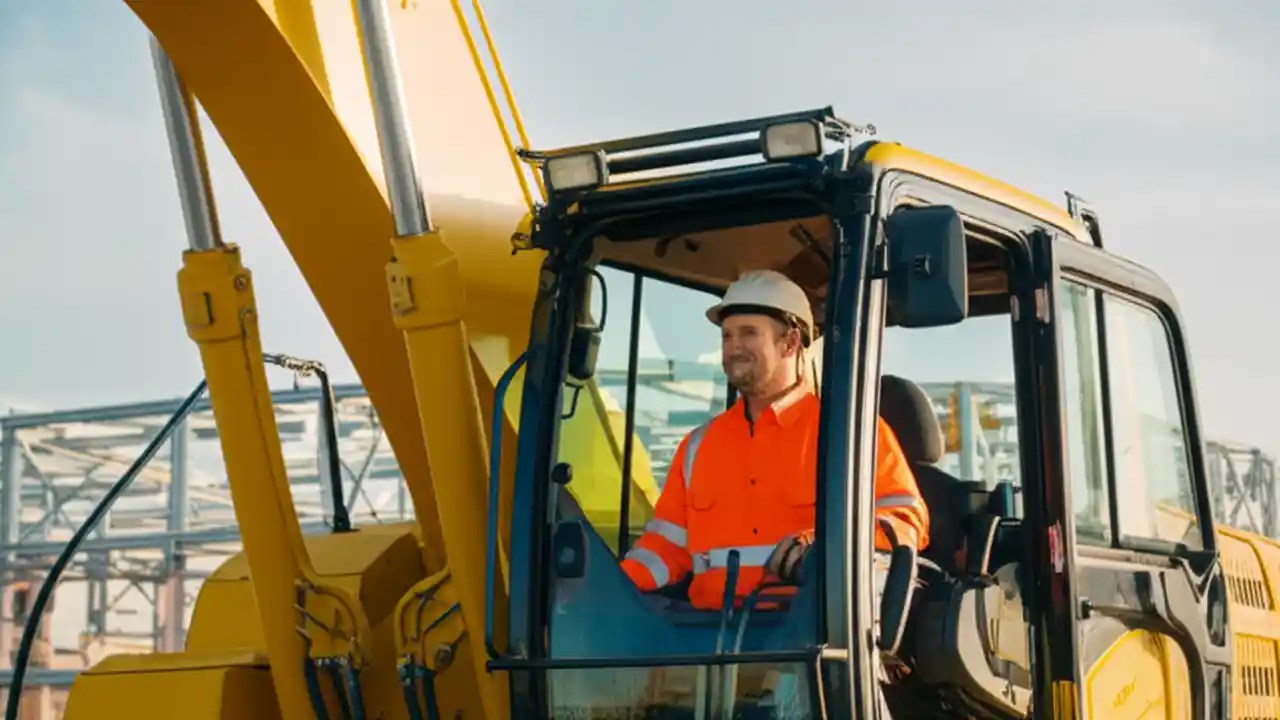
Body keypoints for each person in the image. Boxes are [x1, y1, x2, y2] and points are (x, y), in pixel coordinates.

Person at [620, 269, 929, 610]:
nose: (734, 347)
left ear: (791, 342)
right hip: (703, 640)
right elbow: (666, 545)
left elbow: (904, 521)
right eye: (727, 336)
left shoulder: (849, 435)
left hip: (807, 643)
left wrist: (822, 547)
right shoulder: (699, 445)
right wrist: (607, 590)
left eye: (749, 334)